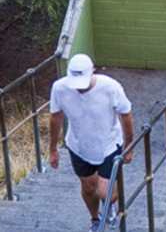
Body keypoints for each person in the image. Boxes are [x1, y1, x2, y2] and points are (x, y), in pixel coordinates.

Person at [49, 54, 135, 232]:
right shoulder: (60, 88)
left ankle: (110, 205)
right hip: (79, 145)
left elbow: (125, 114)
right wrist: (53, 149)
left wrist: (128, 146)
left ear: (92, 71)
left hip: (109, 145)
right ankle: (95, 219)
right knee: (88, 187)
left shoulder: (110, 87)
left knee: (105, 192)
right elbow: (55, 117)